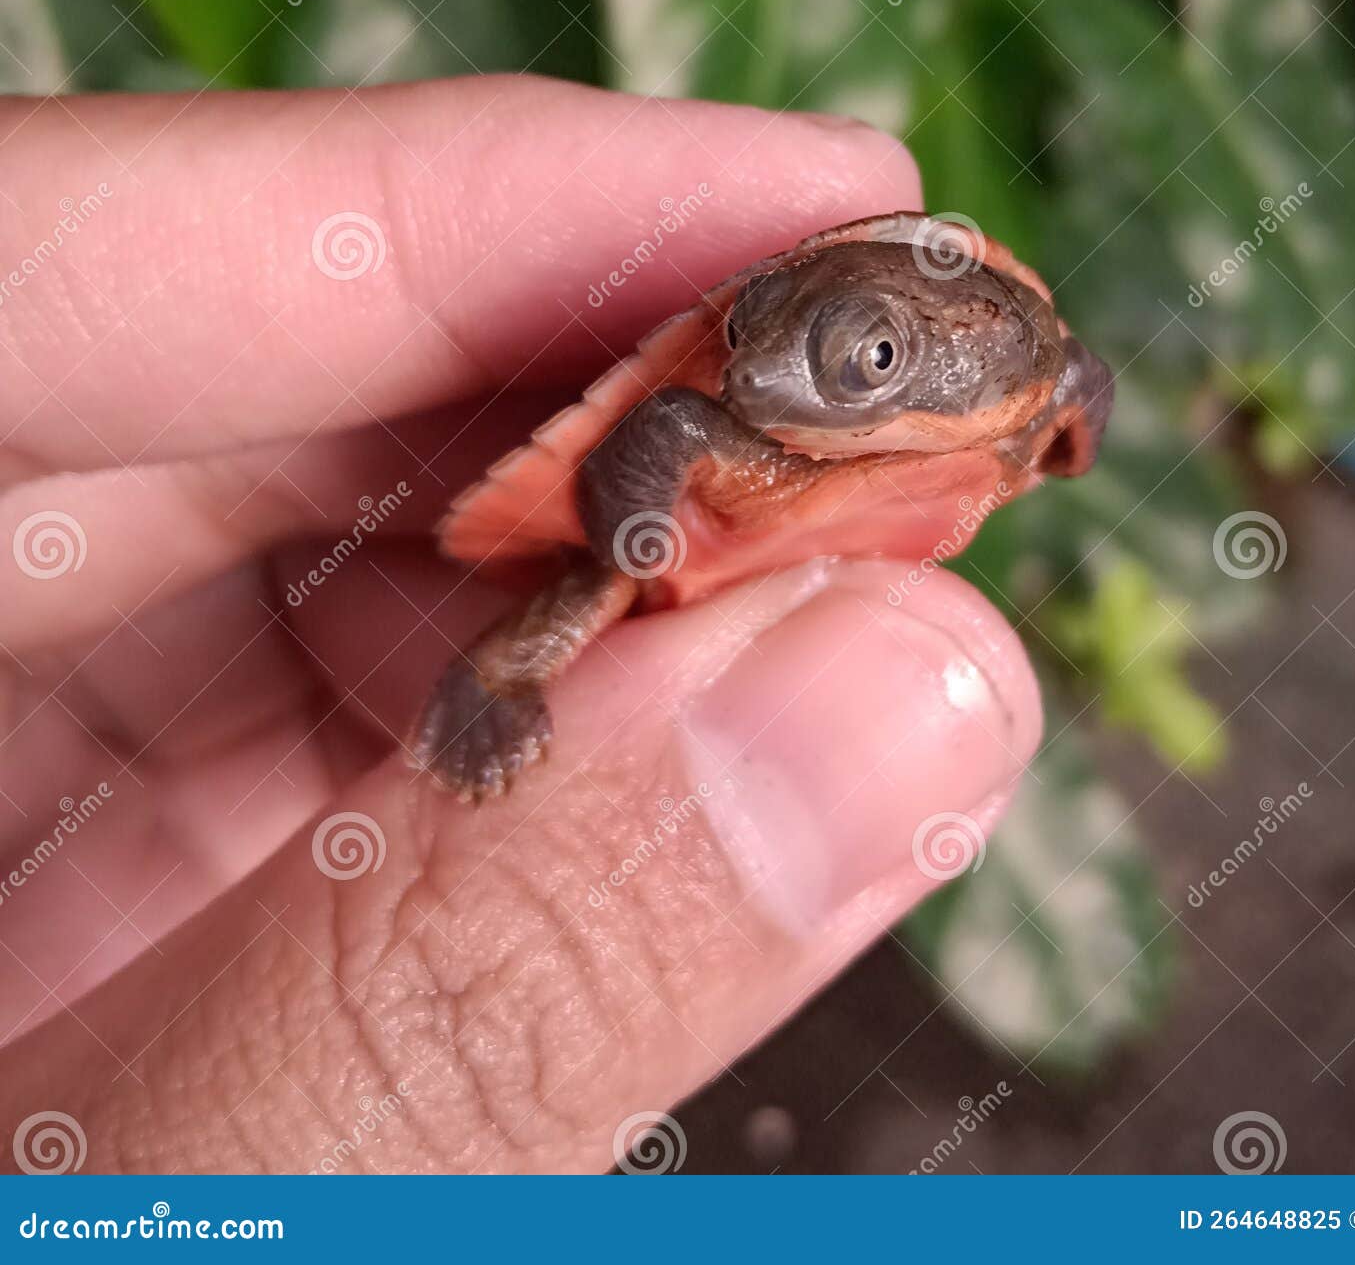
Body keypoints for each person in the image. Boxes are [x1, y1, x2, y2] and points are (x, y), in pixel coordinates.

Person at [0, 74, 1040, 1174]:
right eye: (747, 335)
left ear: (971, 349)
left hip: (841, 518)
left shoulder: (1023, 365)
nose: (754, 376)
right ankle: (490, 680)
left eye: (871, 359)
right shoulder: (731, 417)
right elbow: (667, 425)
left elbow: (1070, 377)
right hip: (723, 524)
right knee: (592, 588)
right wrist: (638, 533)